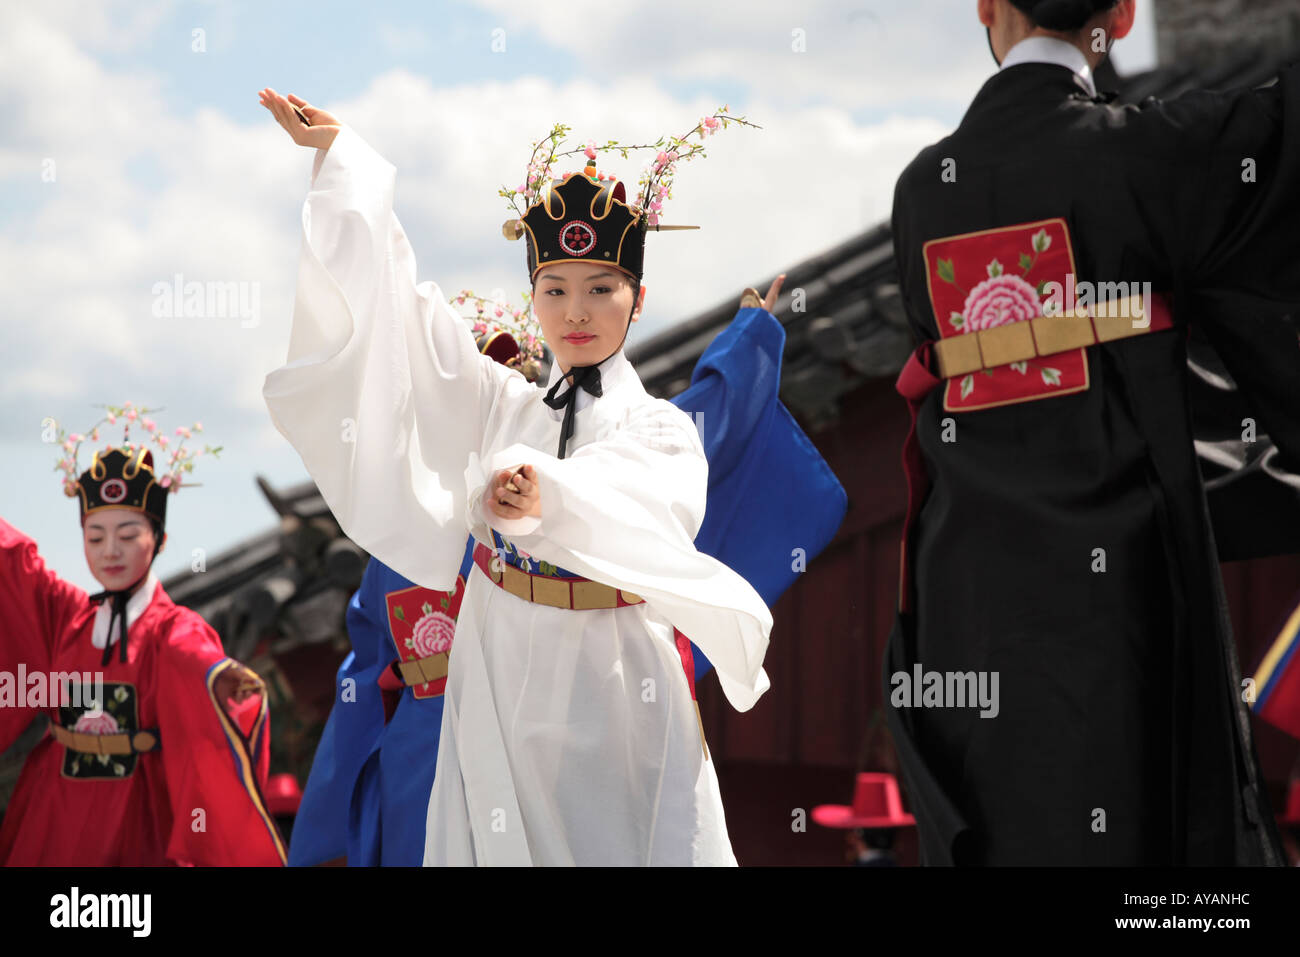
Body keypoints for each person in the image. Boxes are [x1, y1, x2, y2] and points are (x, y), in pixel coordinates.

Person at [260, 89, 786, 865]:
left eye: (601, 287)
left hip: (611, 680)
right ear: (533, 296)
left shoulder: (662, 429)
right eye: (555, 288)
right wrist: (349, 169)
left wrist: (548, 493)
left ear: (638, 299)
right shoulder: (498, 403)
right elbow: (408, 325)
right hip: (498, 661)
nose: (577, 310)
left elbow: (645, 494)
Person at [885, 0, 1300, 865]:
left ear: (987, 8)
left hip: (964, 599)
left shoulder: (925, 189)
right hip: (1118, 586)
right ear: (1121, 13)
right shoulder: (1145, 155)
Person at [287, 290, 849, 866]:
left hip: (541, 730)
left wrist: (746, 342)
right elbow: (362, 687)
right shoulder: (402, 541)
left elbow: (671, 443)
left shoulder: (567, 481)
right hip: (433, 761)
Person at [0, 408, 287, 865]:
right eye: (95, 538)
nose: (110, 551)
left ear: (160, 538)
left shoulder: (173, 632)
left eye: (128, 534)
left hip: (137, 812)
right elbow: (12, 564)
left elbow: (206, 671)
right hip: (55, 809)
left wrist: (225, 684)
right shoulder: (65, 617)